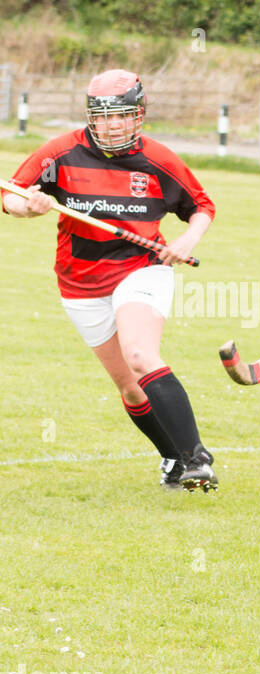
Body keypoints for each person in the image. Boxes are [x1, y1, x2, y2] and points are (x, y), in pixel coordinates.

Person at [1, 70, 217, 491]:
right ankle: (173, 459)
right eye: (102, 116)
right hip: (80, 281)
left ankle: (198, 458)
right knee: (131, 388)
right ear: (90, 116)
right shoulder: (60, 153)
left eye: (121, 116)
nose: (111, 125)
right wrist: (31, 207)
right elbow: (10, 194)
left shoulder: (158, 159)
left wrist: (185, 241)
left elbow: (201, 205)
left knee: (140, 355)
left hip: (142, 268)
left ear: (138, 115)